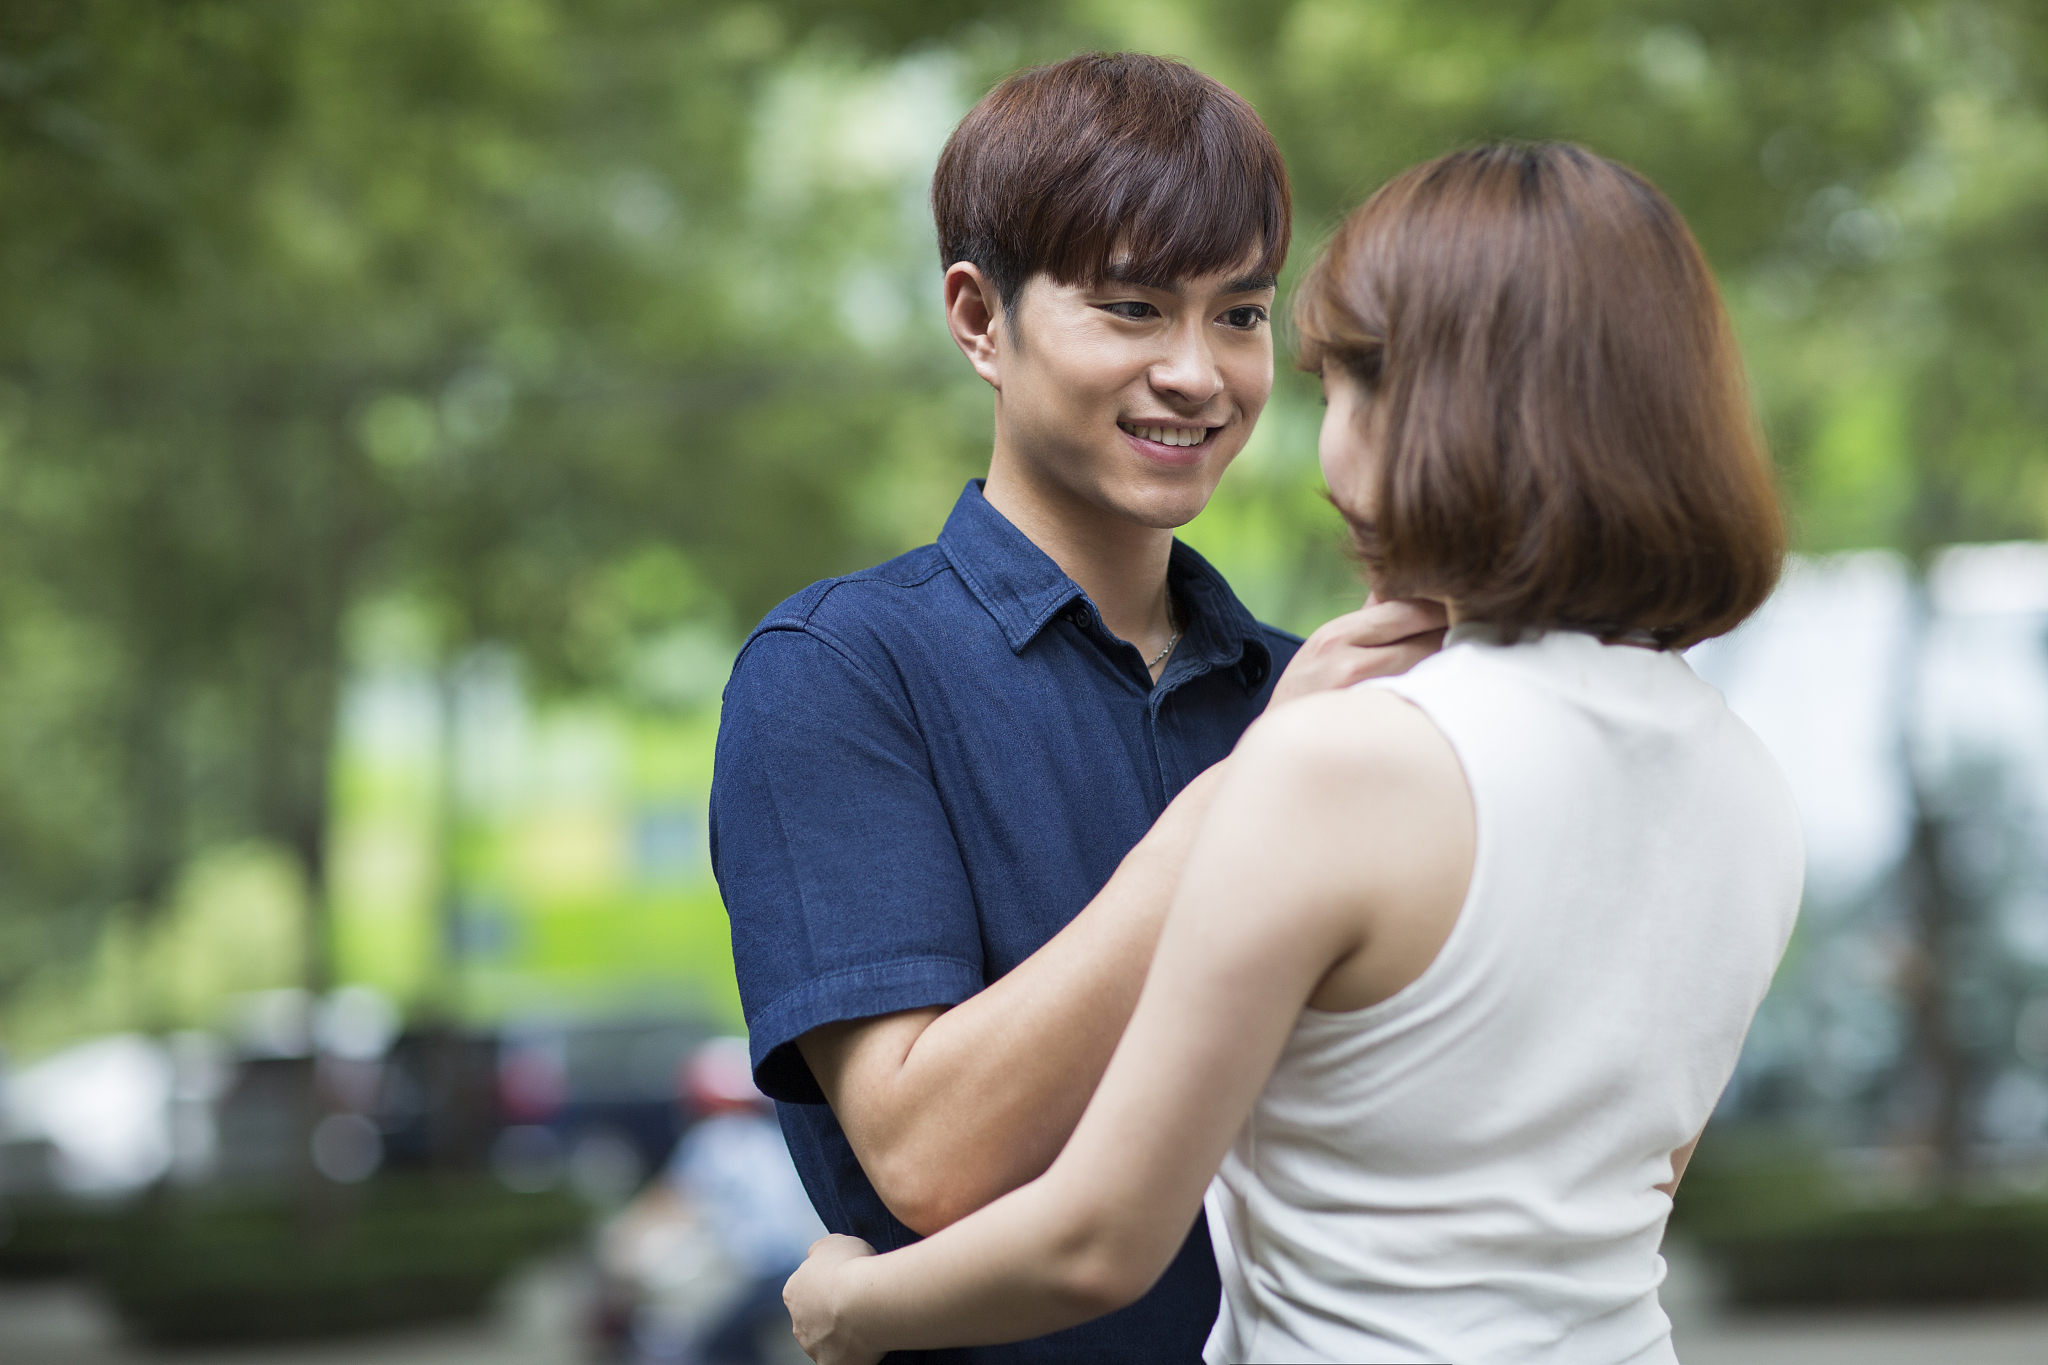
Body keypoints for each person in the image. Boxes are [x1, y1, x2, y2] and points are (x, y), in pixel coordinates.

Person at [780, 142, 1805, 1365]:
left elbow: (1096, 1241)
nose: (1301, 437)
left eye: (1341, 382)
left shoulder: (1338, 758)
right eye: (1131, 308)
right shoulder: (1743, 777)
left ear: (1461, 414)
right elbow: (1618, 1187)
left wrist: (843, 1310)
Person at [709, 52, 1446, 1365]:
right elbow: (930, 1154)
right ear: (980, 320)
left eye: (1238, 313)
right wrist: (1253, 793)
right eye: (1131, 308)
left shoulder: (1314, 692)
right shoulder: (838, 671)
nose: (1199, 374)